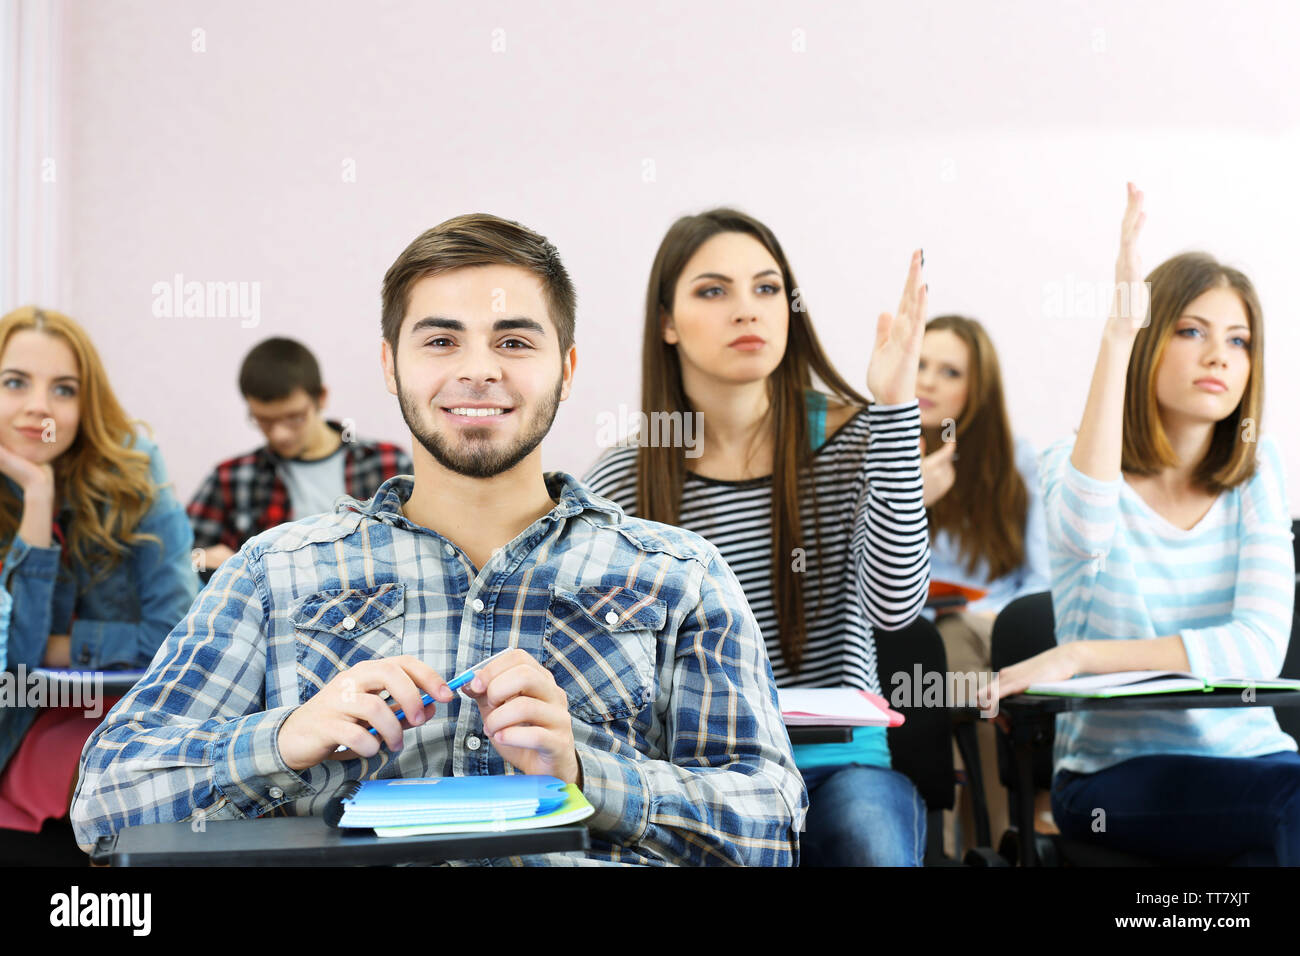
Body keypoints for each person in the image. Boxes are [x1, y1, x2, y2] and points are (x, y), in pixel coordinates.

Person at [71, 213, 807, 866]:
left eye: (514, 340)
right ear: (391, 365)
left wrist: (588, 772)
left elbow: (772, 829)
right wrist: (286, 738)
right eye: (441, 340)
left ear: (568, 368)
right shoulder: (272, 573)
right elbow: (103, 805)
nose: (478, 369)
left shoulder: (681, 575)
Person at [584, 208, 931, 865]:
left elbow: (896, 605)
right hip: (692, 776)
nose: (747, 310)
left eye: (767, 289)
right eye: (713, 291)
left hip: (838, 765)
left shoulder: (856, 437)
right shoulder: (624, 477)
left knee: (868, 841)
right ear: (666, 323)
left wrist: (894, 411)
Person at [996, 183, 1300, 864]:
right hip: (1110, 780)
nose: (1219, 355)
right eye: (1190, 331)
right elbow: (1087, 530)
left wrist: (1082, 657)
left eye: (1239, 340)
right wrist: (1118, 332)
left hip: (1259, 765)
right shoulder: (1067, 466)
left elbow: (1256, 650)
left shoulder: (1259, 473)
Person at [0, 306, 198, 846]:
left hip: (140, 708)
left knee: (133, 781)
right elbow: (14, 664)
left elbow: (178, 634)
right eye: (15, 383)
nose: (38, 407)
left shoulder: (132, 467)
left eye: (63, 390)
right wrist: (36, 497)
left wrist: (61, 647)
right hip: (24, 718)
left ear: (86, 405)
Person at [914, 314, 1050, 855]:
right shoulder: (879, 455)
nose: (926, 382)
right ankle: (997, 842)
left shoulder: (1015, 460)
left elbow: (1039, 581)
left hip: (988, 629)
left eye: (948, 372)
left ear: (978, 389)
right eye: (920, 365)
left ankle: (952, 849)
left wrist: (981, 613)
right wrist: (912, 500)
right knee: (939, 649)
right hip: (913, 639)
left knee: (958, 643)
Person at [187, 337, 412, 574]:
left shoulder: (387, 463)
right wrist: (206, 561)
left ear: (321, 397)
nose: (280, 434)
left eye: (293, 417)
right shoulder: (232, 478)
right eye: (264, 420)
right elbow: (173, 562)